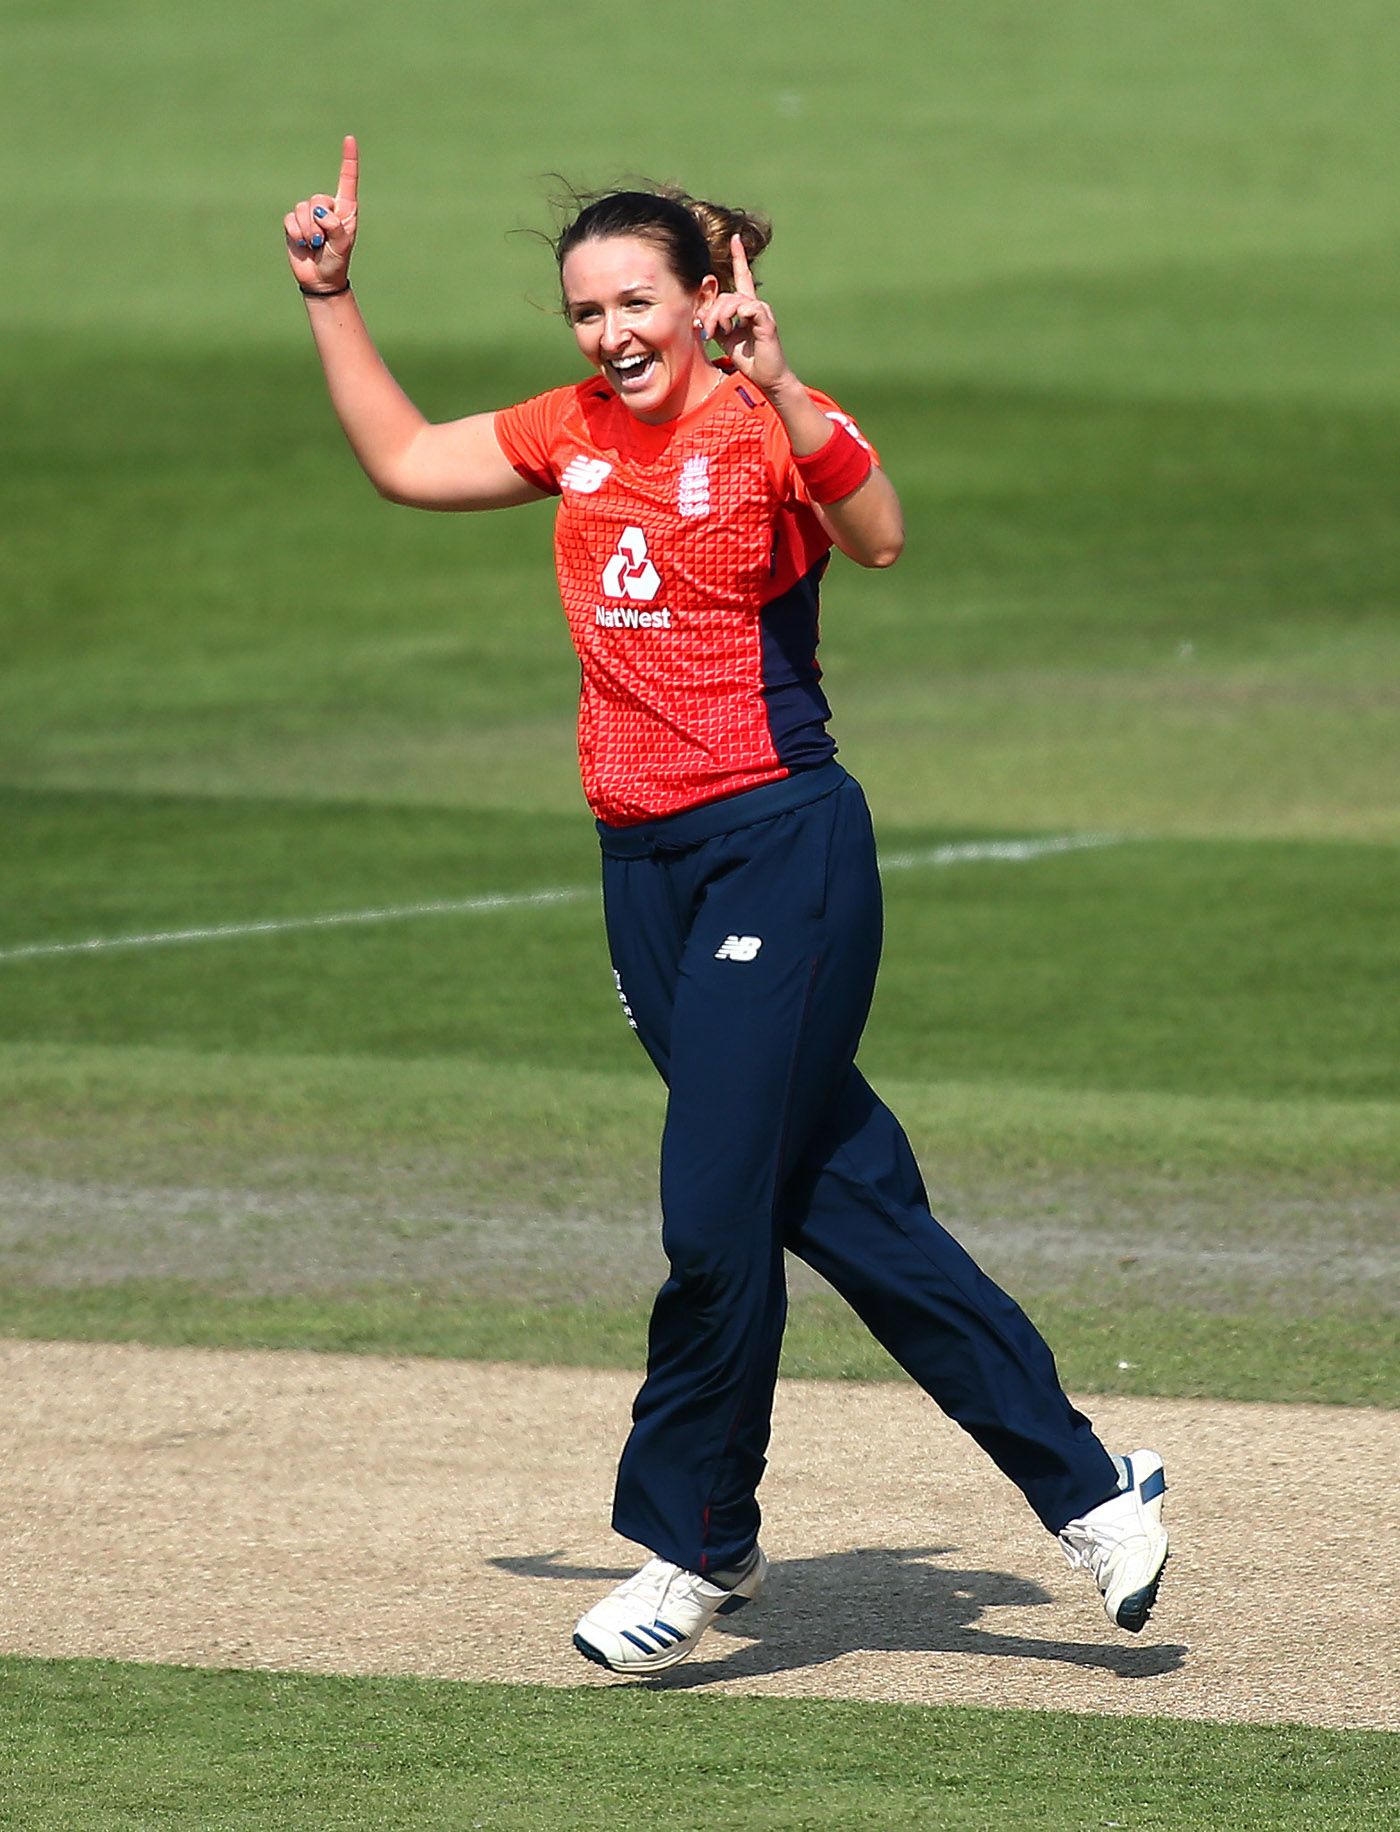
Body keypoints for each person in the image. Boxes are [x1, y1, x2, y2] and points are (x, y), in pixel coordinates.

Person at [284, 138, 1169, 1677]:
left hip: (780, 850)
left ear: (707, 299)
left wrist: (787, 380)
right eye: (587, 311)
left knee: (710, 1218)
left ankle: (695, 1546)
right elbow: (409, 461)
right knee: (837, 1199)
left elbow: (880, 532)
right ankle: (1091, 1486)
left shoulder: (768, 424)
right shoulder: (571, 430)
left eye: (638, 302)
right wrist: (329, 294)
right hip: (644, 873)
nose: (612, 334)